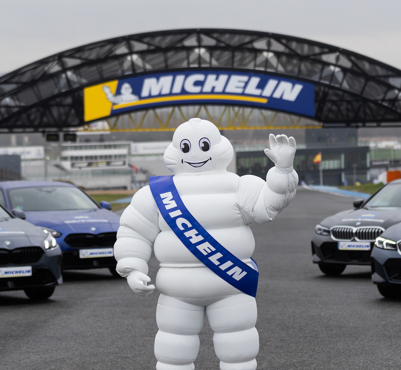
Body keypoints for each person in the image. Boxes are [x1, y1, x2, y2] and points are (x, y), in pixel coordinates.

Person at [114, 118, 298, 370]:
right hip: (182, 291)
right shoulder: (155, 194)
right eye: (187, 147)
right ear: (176, 151)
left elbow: (269, 206)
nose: (196, 154)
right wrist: (132, 268)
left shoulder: (240, 185)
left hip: (229, 288)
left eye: (204, 145)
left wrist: (283, 172)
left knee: (238, 353)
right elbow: (133, 231)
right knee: (173, 354)